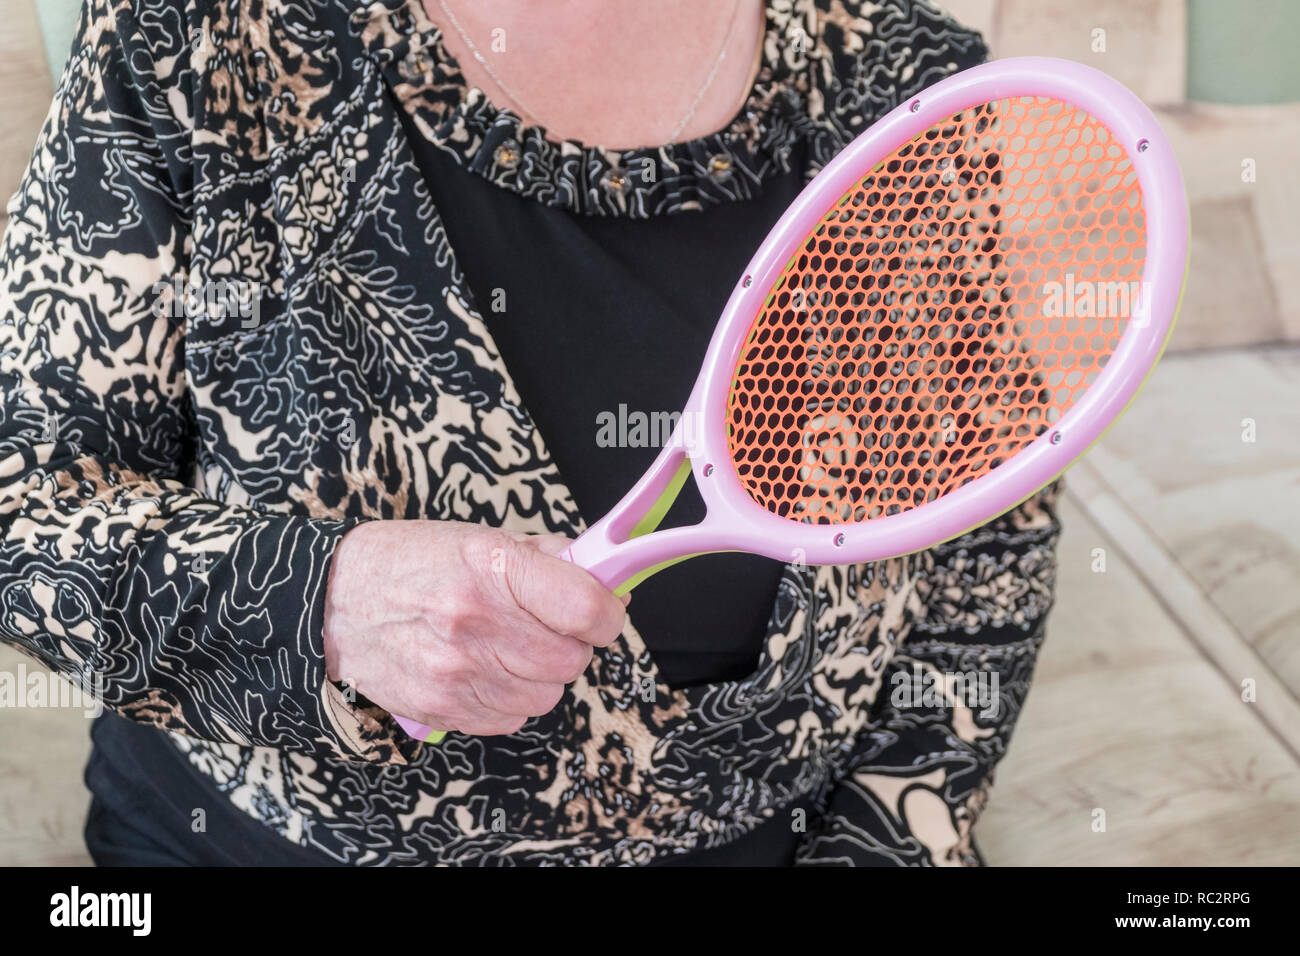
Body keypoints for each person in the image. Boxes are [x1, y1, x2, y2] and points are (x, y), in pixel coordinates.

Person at [0, 0, 1062, 866]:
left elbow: (987, 543)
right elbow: (22, 506)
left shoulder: (907, 77)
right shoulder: (197, 39)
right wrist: (320, 603)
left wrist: (880, 844)